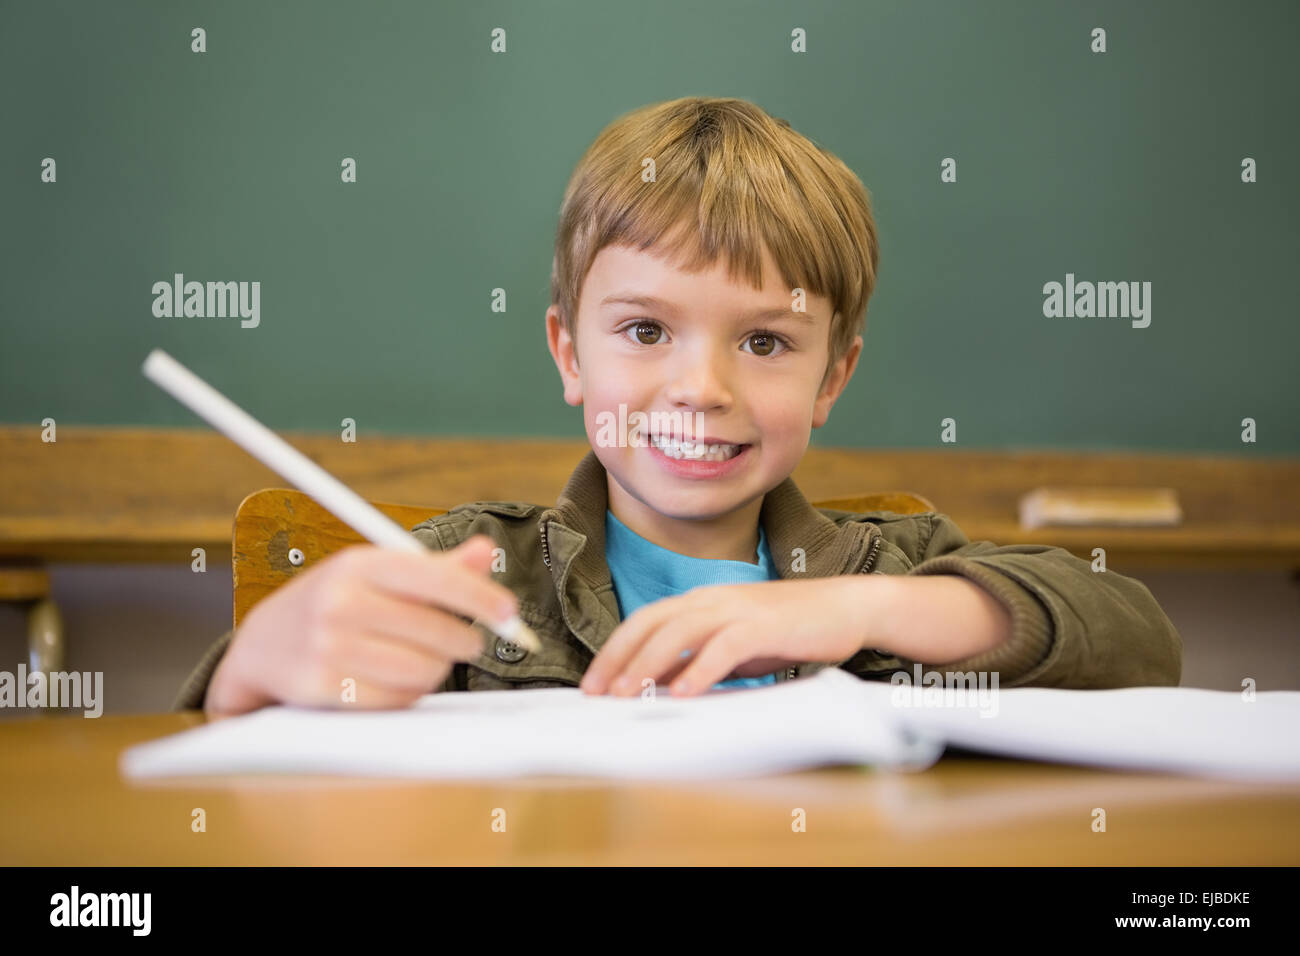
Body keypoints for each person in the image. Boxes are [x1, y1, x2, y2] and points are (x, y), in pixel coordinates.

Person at [176, 96, 1181, 715]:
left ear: (832, 376)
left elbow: (1137, 640)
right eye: (647, 330)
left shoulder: (891, 566)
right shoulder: (470, 574)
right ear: (569, 351)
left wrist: (857, 608)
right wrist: (253, 669)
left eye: (765, 341)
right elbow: (238, 754)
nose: (702, 388)